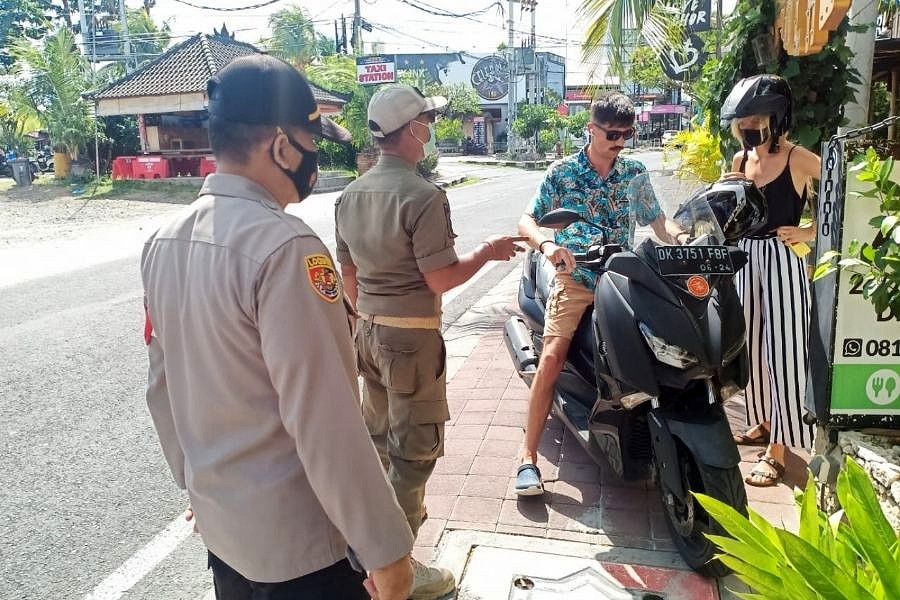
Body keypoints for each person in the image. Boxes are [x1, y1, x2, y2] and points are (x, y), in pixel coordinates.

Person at [141, 55, 414, 600]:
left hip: (225, 533)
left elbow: (162, 387)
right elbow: (325, 417)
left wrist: (195, 485)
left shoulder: (161, 240)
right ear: (282, 147)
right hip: (300, 550)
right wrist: (386, 550)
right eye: (311, 139)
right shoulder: (287, 249)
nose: (315, 156)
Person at [334, 84, 525, 600]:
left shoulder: (351, 194)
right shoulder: (423, 196)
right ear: (412, 130)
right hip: (411, 341)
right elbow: (440, 279)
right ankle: (396, 570)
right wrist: (489, 250)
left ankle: (372, 550)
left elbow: (347, 279)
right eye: (428, 121)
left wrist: (368, 320)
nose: (431, 129)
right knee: (415, 453)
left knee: (378, 444)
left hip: (367, 332)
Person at [514, 93, 685, 495]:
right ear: (590, 129)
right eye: (612, 133)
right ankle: (527, 457)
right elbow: (528, 218)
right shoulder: (564, 172)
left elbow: (657, 221)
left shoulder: (634, 172)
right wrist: (547, 246)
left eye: (627, 134)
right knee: (553, 356)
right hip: (578, 280)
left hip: (624, 276)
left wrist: (682, 238)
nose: (620, 141)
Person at [720, 74, 820, 487]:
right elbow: (730, 210)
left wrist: (810, 232)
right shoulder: (742, 161)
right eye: (744, 119)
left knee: (784, 353)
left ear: (777, 117)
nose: (749, 125)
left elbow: (848, 190)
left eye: (757, 117)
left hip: (783, 261)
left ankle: (778, 449)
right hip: (747, 260)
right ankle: (762, 422)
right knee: (753, 352)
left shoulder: (798, 158)